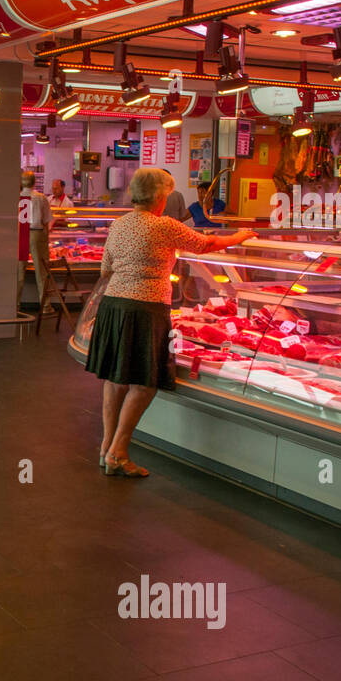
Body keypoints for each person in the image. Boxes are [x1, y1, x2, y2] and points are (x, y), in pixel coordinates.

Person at [87, 168, 257, 478]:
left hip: (115, 305)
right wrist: (240, 236)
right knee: (145, 382)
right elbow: (205, 244)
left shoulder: (120, 223)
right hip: (145, 307)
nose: (166, 201)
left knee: (115, 379)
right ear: (159, 197)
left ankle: (106, 449)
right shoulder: (163, 226)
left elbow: (106, 267)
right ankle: (119, 452)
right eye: (166, 195)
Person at [21, 171, 54, 311]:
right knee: (41, 271)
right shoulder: (41, 198)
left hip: (21, 234)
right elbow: (46, 220)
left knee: (18, 270)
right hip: (37, 234)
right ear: (34, 182)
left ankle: (14, 305)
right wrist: (46, 237)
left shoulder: (17, 197)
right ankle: (45, 305)